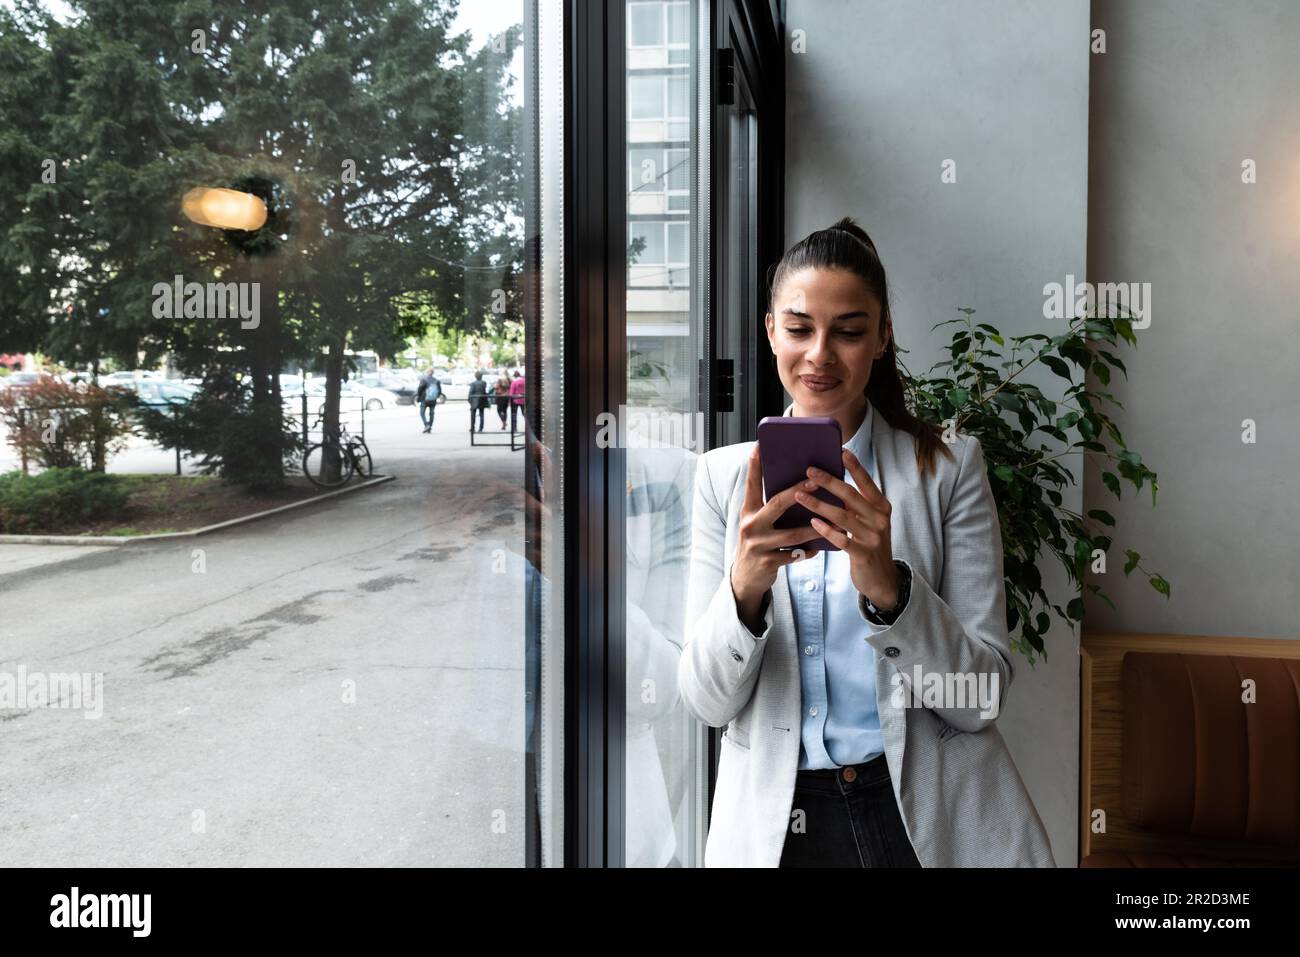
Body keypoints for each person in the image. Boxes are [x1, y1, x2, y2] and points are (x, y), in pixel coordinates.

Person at [677, 217, 1055, 868]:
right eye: (799, 328)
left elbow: (981, 698)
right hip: (776, 825)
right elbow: (708, 703)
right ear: (771, 332)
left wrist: (893, 592)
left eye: (849, 330)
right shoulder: (722, 480)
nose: (820, 354)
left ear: (881, 337)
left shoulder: (948, 469)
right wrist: (743, 591)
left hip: (917, 816)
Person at [416, 367, 441, 433]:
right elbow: (439, 391)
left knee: (422, 413)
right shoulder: (436, 380)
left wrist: (419, 396)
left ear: (427, 372)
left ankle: (426, 425)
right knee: (432, 414)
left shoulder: (424, 379)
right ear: (433, 373)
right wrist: (436, 397)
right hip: (433, 400)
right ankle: (430, 427)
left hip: (425, 399)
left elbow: (420, 389)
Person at [508, 369, 525, 434]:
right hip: (523, 399)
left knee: (514, 414)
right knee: (524, 414)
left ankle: (514, 428)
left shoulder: (514, 382)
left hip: (515, 400)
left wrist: (509, 401)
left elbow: (511, 393)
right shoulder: (524, 381)